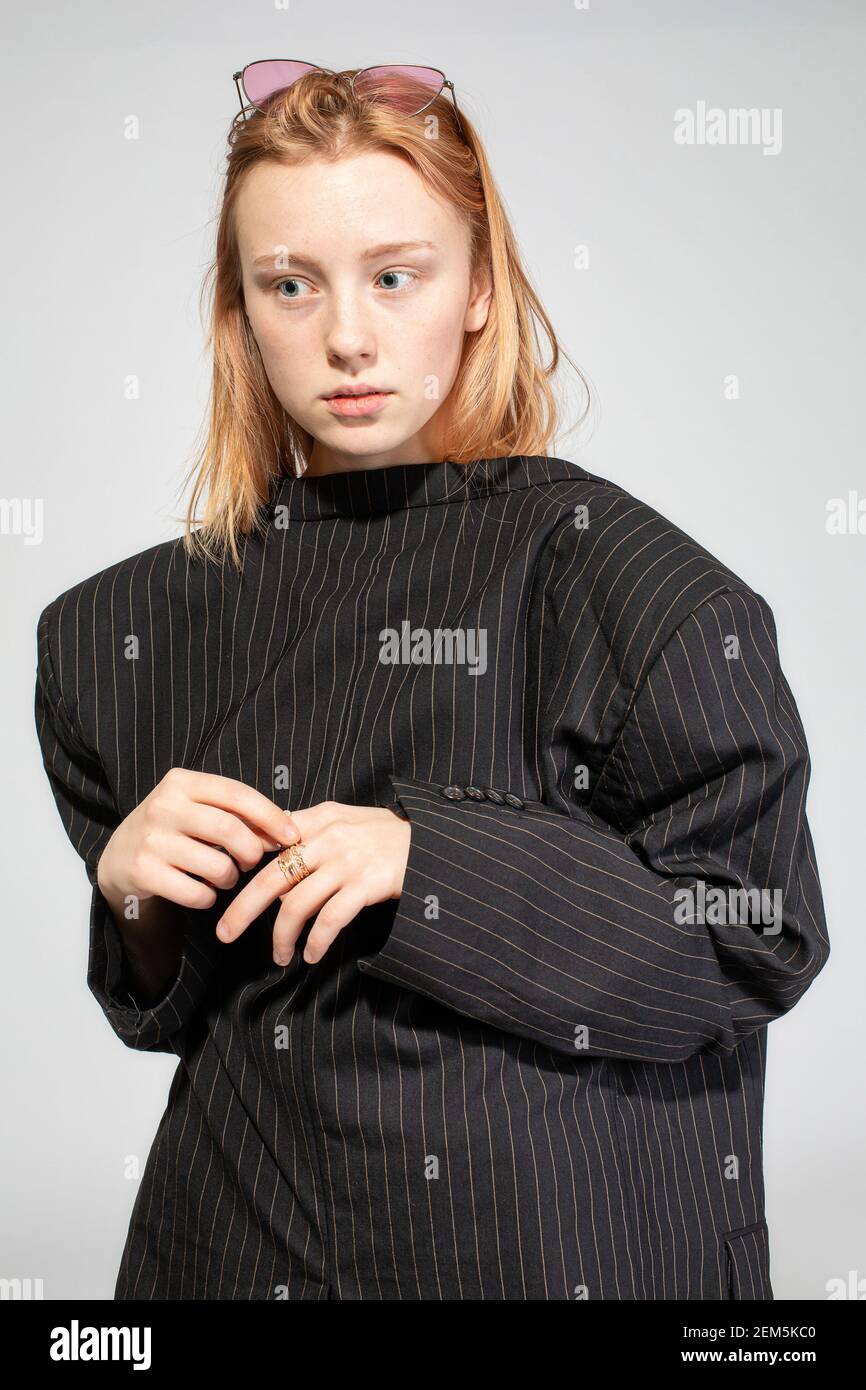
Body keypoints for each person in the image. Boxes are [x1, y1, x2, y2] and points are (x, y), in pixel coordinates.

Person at [34, 63, 829, 1301]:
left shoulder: (633, 588)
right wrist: (134, 903)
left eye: (394, 276)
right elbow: (169, 1014)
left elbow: (752, 935)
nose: (345, 334)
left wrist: (432, 862)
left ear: (475, 290)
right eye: (289, 284)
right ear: (239, 311)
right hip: (232, 1253)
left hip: (567, 1255)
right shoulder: (117, 633)